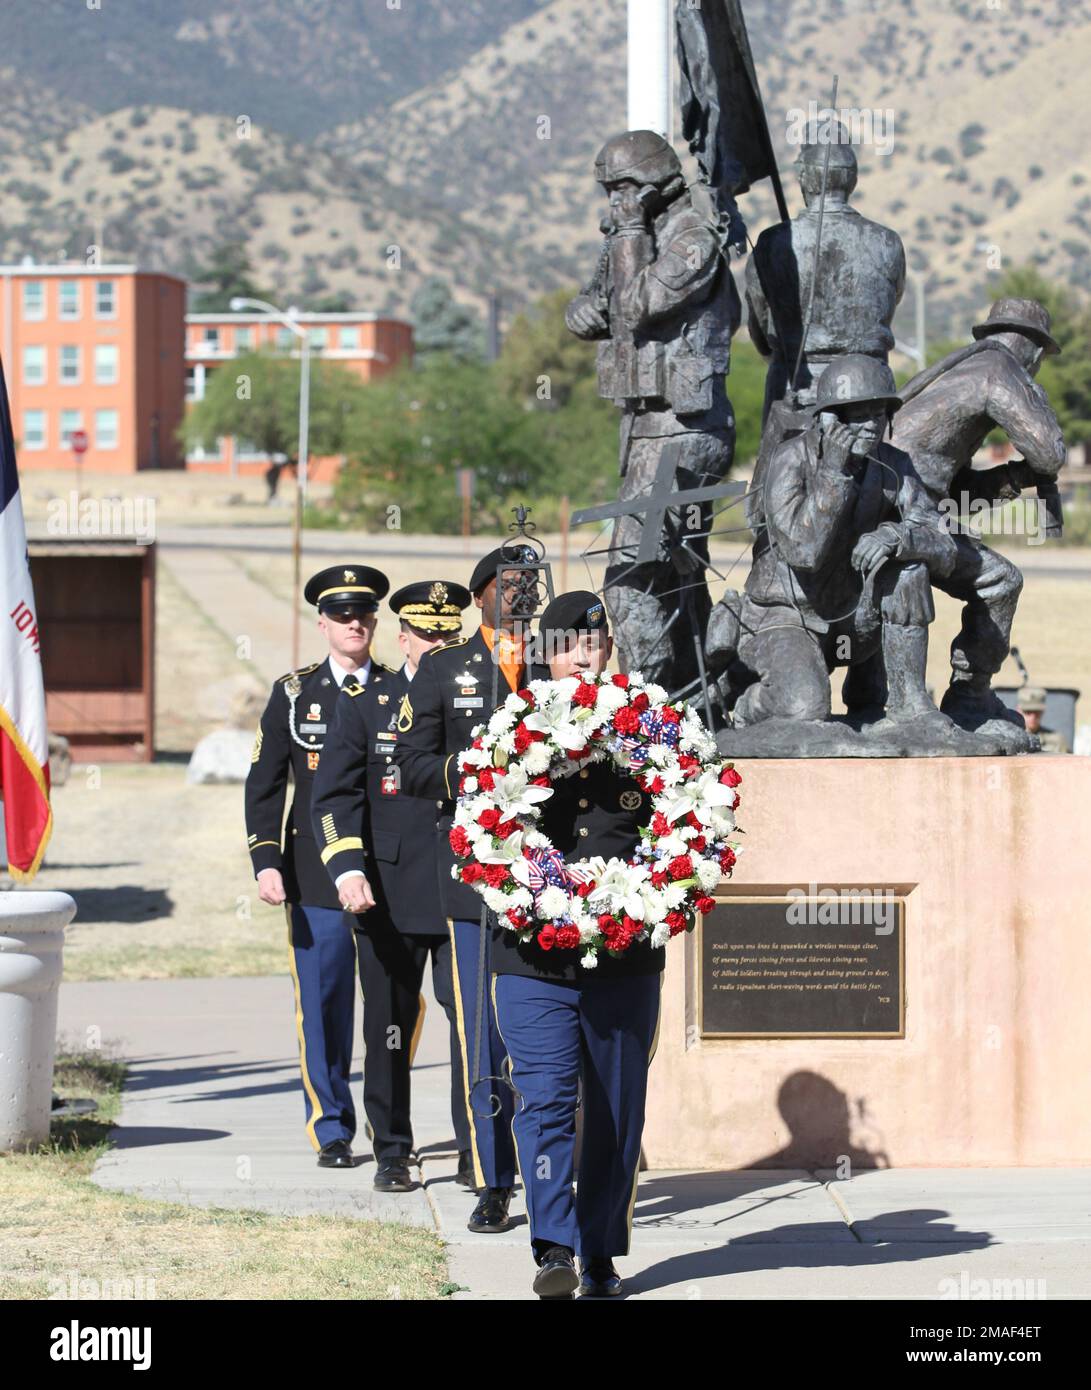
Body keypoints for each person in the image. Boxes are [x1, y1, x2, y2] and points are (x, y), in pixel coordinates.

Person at [489, 591, 662, 1300]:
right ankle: (553, 1247)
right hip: (534, 951)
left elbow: (679, 816)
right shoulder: (511, 728)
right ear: (546, 653)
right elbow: (485, 814)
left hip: (622, 951)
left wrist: (662, 886)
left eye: (595, 641)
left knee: (616, 1107)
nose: (584, 652)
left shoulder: (650, 725)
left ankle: (600, 1251)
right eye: (568, 642)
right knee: (546, 1098)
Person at [311, 580, 477, 1192]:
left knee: (473, 1023)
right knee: (388, 1022)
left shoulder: (480, 702)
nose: (436, 644)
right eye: (425, 633)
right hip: (385, 890)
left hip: (464, 885)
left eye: (447, 634)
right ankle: (393, 1149)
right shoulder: (366, 703)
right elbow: (331, 796)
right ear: (401, 636)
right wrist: (347, 866)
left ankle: (476, 1150)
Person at [392, 545, 536, 1233]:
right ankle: (490, 1177)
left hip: (549, 878)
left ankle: (550, 1167)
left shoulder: (561, 663)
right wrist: (478, 769)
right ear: (480, 595)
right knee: (482, 1036)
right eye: (509, 585)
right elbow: (412, 764)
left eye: (531, 585)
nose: (521, 595)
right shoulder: (446, 669)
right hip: (473, 878)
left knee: (542, 1032)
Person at [566, 129, 740, 694]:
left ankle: (650, 700)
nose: (614, 201)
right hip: (644, 427)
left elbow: (635, 307)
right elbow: (585, 315)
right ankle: (703, 693)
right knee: (676, 573)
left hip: (685, 428)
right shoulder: (632, 241)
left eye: (621, 188)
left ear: (652, 183)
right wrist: (625, 244)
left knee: (629, 572)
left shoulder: (693, 240)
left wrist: (632, 234)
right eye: (609, 191)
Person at [245, 563, 392, 1169]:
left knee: (391, 1010)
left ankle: (391, 1122)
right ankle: (331, 1125)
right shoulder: (294, 692)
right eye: (340, 614)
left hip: (387, 874)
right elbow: (264, 782)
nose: (353, 623)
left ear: (376, 620)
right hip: (312, 875)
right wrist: (265, 861)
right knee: (325, 1001)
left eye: (362, 613)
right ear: (323, 622)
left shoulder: (401, 687)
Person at [730, 356, 958, 731]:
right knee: (805, 708)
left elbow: (944, 545)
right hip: (788, 614)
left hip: (853, 617)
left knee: (909, 570)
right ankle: (748, 704)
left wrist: (898, 535)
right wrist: (833, 474)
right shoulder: (789, 459)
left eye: (879, 414)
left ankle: (910, 706)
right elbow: (804, 552)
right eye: (858, 415)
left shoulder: (894, 464)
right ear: (828, 419)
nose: (871, 426)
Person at [891, 298, 1066, 729]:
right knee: (1002, 582)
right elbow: (1051, 452)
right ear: (1037, 351)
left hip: (905, 501)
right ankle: (969, 696)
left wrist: (1014, 477)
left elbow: (956, 490)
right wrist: (1037, 402)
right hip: (901, 510)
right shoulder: (999, 373)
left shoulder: (958, 371)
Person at [745, 125, 906, 423]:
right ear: (852, 180)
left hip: (796, 387)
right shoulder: (889, 242)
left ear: (803, 178)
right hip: (868, 390)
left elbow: (759, 326)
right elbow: (888, 307)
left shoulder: (770, 243)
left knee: (781, 469)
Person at [1016, 686, 1069, 753]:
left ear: (1042, 712)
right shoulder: (1008, 739)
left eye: (1037, 712)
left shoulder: (1057, 741)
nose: (1033, 717)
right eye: (1028, 712)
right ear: (1019, 710)